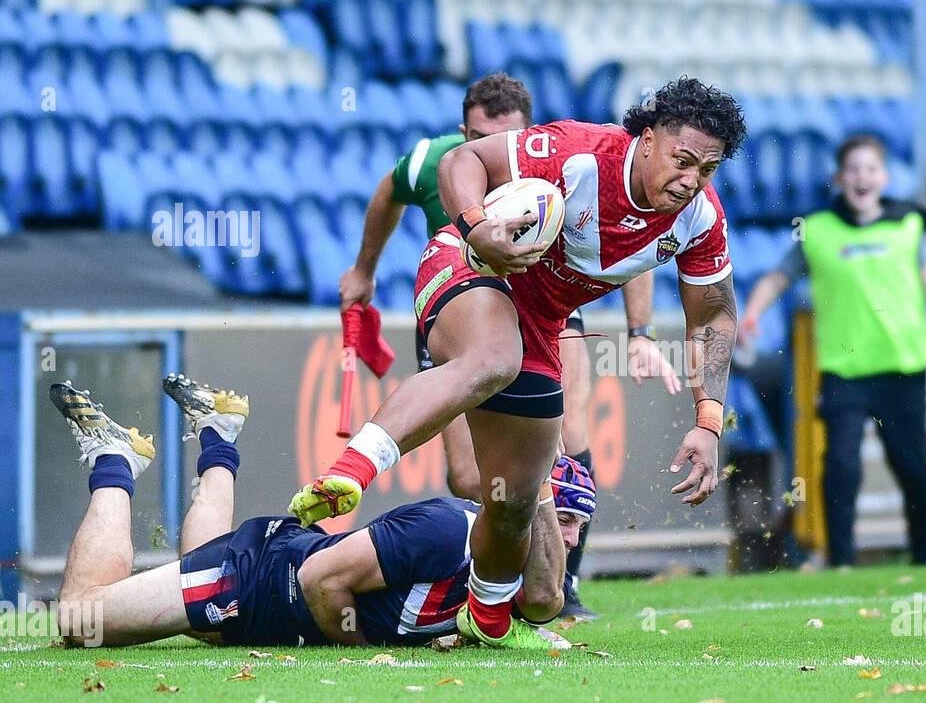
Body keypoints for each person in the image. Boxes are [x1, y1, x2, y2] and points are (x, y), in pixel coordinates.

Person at [289, 76, 746, 649]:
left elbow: (713, 320)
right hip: (469, 265)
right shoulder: (577, 152)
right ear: (648, 139)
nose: (690, 182)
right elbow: (460, 161)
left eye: (706, 171)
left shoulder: (699, 217)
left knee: (519, 525)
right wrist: (479, 229)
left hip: (542, 326)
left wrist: (707, 422)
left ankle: (488, 620)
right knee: (493, 359)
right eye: (682, 162)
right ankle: (351, 471)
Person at [49, 373, 594, 650]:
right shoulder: (449, 530)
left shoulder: (514, 589)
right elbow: (318, 580)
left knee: (195, 556)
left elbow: (547, 599)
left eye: (579, 528)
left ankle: (218, 433)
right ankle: (114, 460)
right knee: (81, 620)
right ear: (528, 512)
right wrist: (358, 653)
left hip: (271, 596)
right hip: (259, 578)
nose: (570, 541)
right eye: (564, 521)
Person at [739, 135, 926, 567]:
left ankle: (925, 555)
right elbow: (776, 279)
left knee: (913, 468)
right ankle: (841, 559)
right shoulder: (819, 231)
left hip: (902, 365)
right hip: (844, 369)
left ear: (883, 177)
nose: (862, 178)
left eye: (870, 169)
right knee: (841, 465)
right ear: (839, 179)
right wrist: (750, 317)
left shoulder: (908, 225)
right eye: (853, 170)